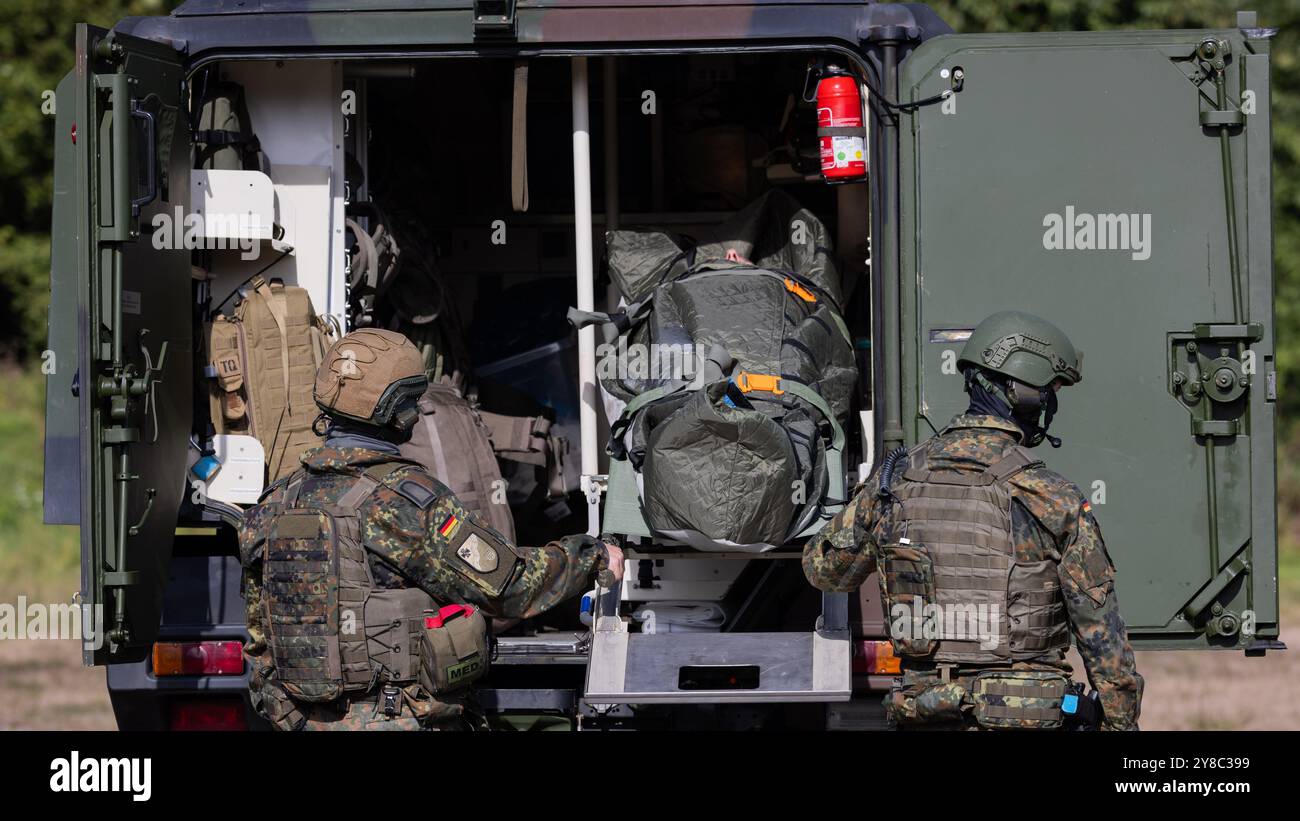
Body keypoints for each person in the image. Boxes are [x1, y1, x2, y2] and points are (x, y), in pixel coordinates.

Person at [237, 328, 623, 730]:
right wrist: (592, 556)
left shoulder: (274, 502)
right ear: (398, 412)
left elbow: (259, 638)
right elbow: (510, 588)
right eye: (412, 401)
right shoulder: (404, 502)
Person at [803, 311, 1142, 730]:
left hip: (926, 714)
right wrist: (1120, 723)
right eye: (1048, 391)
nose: (1051, 403)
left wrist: (871, 500)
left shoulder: (896, 480)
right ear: (1021, 391)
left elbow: (825, 572)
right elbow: (1103, 640)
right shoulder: (1050, 495)